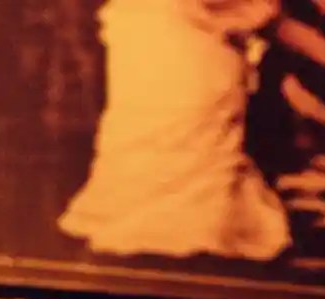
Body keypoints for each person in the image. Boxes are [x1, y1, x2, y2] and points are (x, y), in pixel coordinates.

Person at [57, 0, 292, 261]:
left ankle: (182, 226)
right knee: (157, 117)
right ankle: (153, 223)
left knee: (186, 124)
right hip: (165, 32)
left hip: (182, 33)